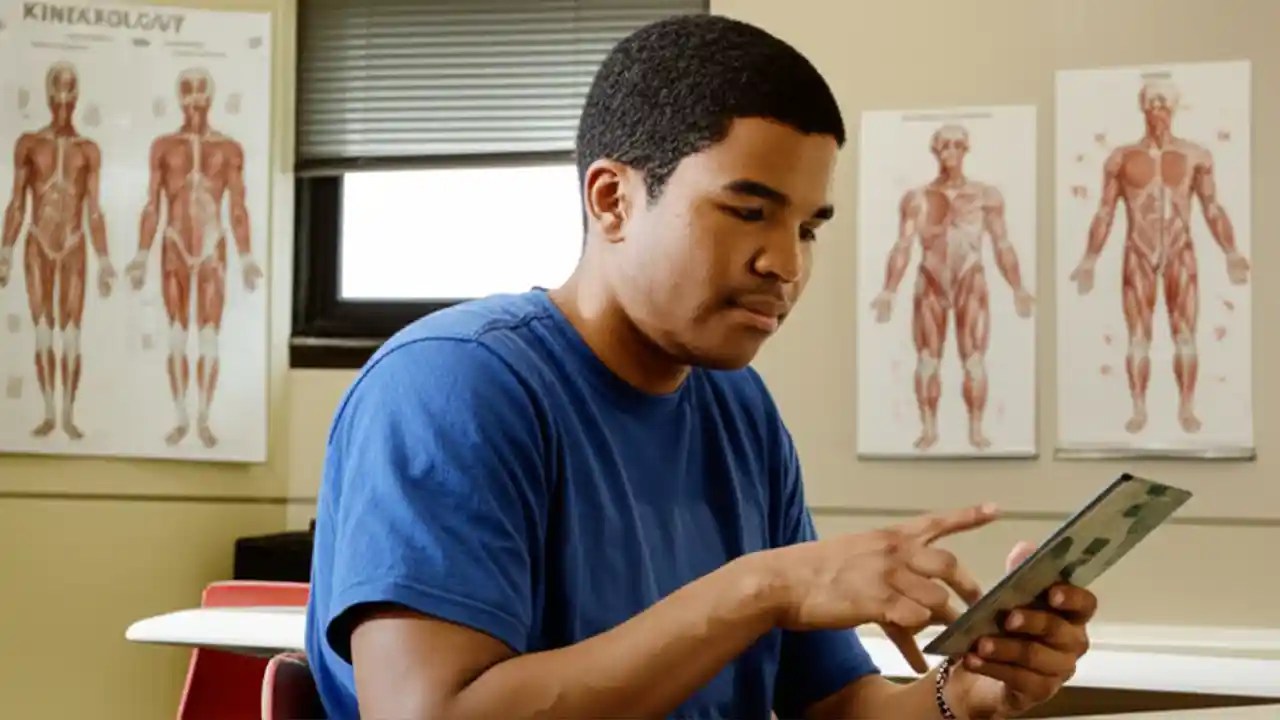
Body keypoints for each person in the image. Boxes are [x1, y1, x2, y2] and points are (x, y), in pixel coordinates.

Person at [306, 14, 1096, 720]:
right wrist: (763, 589)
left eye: (809, 227)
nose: (785, 263)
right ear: (613, 200)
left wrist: (964, 695)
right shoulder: (453, 385)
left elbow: (838, 704)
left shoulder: (738, 409)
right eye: (748, 212)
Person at [1068, 76, 1249, 435]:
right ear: (1141, 106)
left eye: (1163, 102)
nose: (1157, 110)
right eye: (1151, 102)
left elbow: (1212, 207)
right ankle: (1138, 408)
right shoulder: (1121, 158)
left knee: (1185, 334)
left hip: (1180, 250)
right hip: (1138, 250)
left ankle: (1186, 407)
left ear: (1174, 107)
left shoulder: (1195, 156)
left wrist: (1231, 252)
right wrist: (1089, 259)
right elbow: (1105, 212)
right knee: (1138, 336)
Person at [871, 124, 1034, 451]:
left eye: (957, 146)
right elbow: (903, 246)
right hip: (931, 279)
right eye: (944, 146)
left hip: (969, 279)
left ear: (965, 150)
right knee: (928, 359)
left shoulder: (986, 196)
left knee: (974, 359)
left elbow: (1002, 244)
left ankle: (975, 429)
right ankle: (929, 429)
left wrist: (1018, 287)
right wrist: (889, 290)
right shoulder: (917, 198)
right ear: (935, 151)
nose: (950, 152)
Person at [126, 67, 263, 449]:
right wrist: (140, 253)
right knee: (175, 336)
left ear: (211, 95)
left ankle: (203, 417)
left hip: (212, 246)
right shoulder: (164, 147)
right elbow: (153, 205)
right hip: (174, 243)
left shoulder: (229, 149)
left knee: (207, 338)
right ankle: (181, 416)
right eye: (187, 91)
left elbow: (238, 207)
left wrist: (247, 255)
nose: (194, 99)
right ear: (178, 96)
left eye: (200, 91)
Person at [0, 61, 115, 439]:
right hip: (37, 242)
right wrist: (4, 250)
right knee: (44, 330)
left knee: (71, 334)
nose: (64, 97)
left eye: (70, 89)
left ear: (78, 94)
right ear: (48, 93)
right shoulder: (29, 144)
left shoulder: (89, 150)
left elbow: (94, 209)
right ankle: (49, 411)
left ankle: (68, 414)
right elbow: (17, 203)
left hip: (74, 245)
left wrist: (105, 260)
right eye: (58, 89)